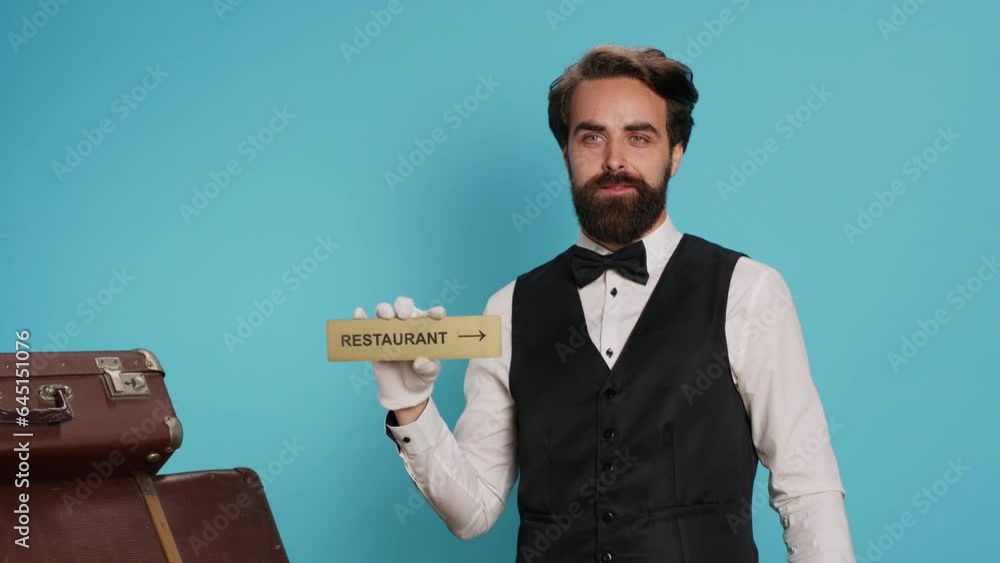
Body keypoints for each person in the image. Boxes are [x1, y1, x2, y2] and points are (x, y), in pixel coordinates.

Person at [354, 45, 855, 563]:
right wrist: (411, 409)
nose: (614, 160)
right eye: (592, 137)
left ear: (675, 154)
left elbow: (806, 486)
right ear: (566, 152)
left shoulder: (749, 290)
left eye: (639, 137)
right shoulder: (507, 308)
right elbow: (472, 511)